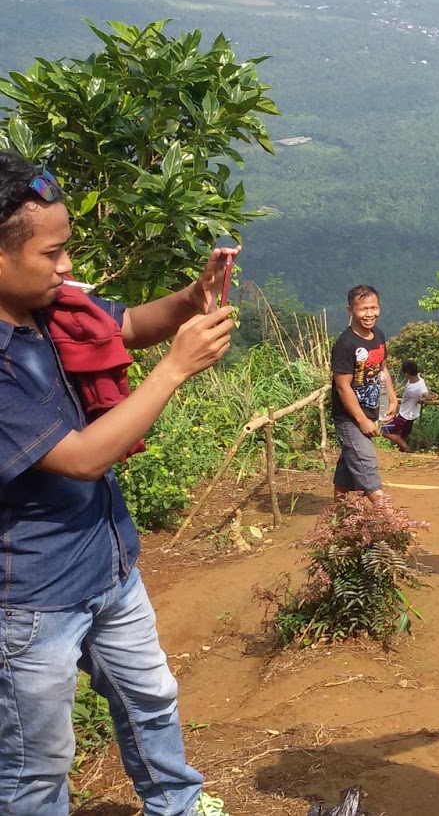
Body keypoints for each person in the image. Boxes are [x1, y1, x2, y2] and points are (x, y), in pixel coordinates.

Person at [0, 151, 237, 815]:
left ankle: (177, 807)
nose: (67, 267)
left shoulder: (51, 306)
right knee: (36, 767)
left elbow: (127, 324)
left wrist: (194, 297)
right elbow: (79, 457)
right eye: (51, 254)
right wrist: (174, 371)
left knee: (153, 701)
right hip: (33, 600)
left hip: (108, 566)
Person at [330, 284, 396, 501]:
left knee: (349, 463)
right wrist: (362, 420)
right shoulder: (345, 344)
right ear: (351, 311)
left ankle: (338, 512)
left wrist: (391, 398)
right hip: (350, 417)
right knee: (366, 462)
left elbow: (382, 369)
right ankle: (389, 520)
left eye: (374, 308)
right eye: (363, 309)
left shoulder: (378, 335)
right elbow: (343, 386)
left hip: (370, 410)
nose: (370, 314)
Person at [380, 359, 436, 453]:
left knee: (385, 431)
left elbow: (426, 394)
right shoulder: (418, 380)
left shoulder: (418, 386)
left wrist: (431, 397)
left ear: (406, 373)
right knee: (404, 434)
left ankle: (406, 447)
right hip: (410, 414)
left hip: (404, 415)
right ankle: (403, 451)